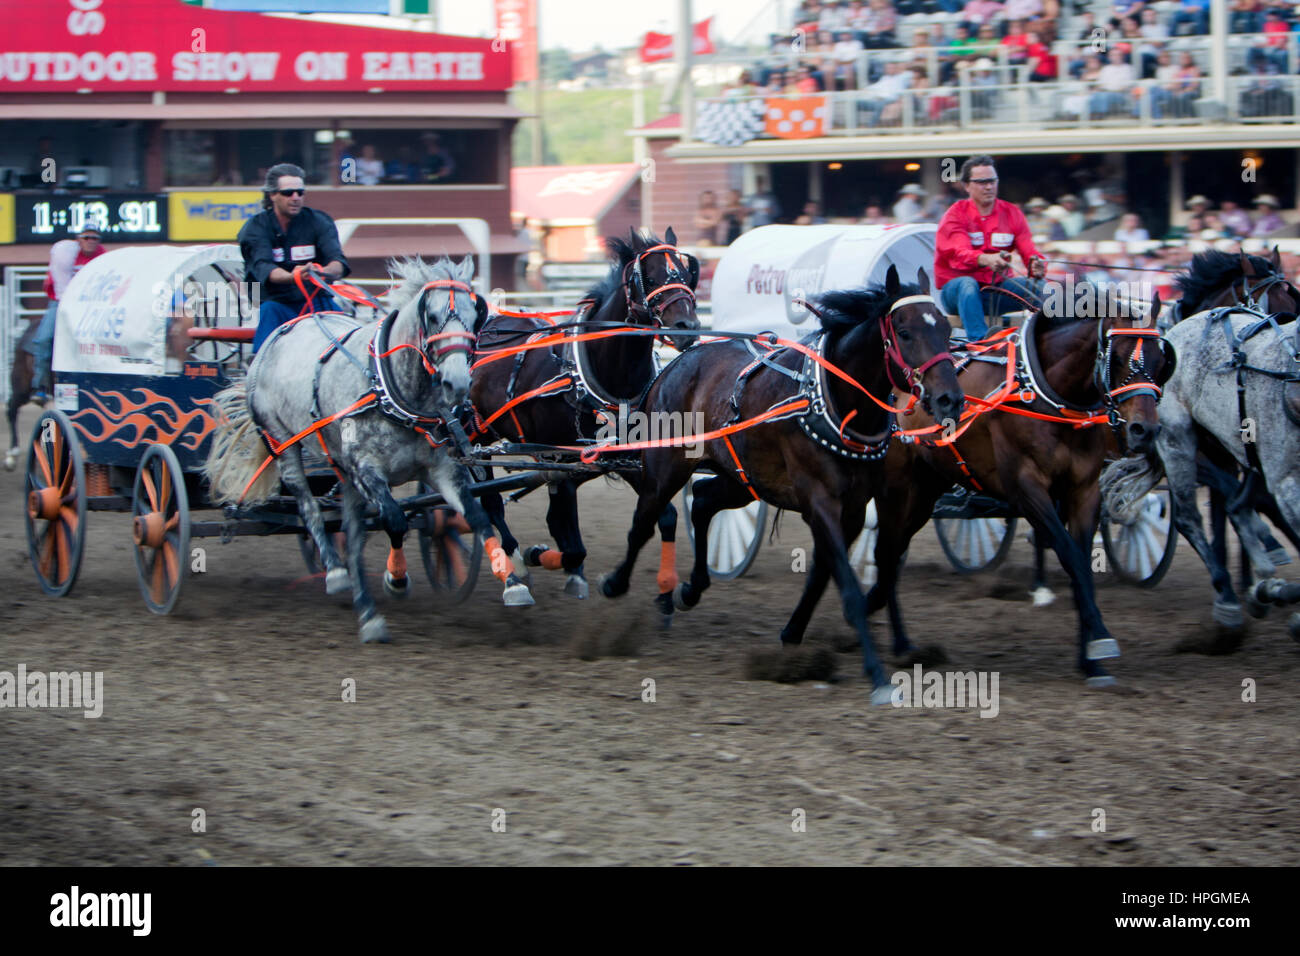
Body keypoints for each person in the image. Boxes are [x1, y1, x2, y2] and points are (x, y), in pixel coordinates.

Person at [238, 163, 350, 352]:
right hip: (277, 305)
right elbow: (264, 267)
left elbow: (338, 262)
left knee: (349, 341)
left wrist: (322, 271)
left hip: (317, 302)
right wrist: (294, 276)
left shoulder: (319, 221)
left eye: (300, 192)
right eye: (288, 193)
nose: (296, 197)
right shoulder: (255, 228)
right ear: (272, 195)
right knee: (269, 316)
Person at [935, 155, 1046, 341]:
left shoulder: (1012, 213)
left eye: (992, 181)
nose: (989, 186)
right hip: (958, 294)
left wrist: (1037, 264)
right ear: (967, 186)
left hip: (995, 291)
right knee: (967, 285)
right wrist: (986, 259)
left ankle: (1042, 341)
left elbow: (1029, 251)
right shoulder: (955, 214)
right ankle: (981, 344)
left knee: (1041, 288)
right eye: (981, 182)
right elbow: (958, 253)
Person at [26, 224, 106, 401]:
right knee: (43, 339)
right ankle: (41, 385)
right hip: (61, 301)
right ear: (79, 240)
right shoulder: (65, 253)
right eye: (87, 237)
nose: (91, 242)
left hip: (90, 304)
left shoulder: (102, 256)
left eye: (95, 238)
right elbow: (62, 289)